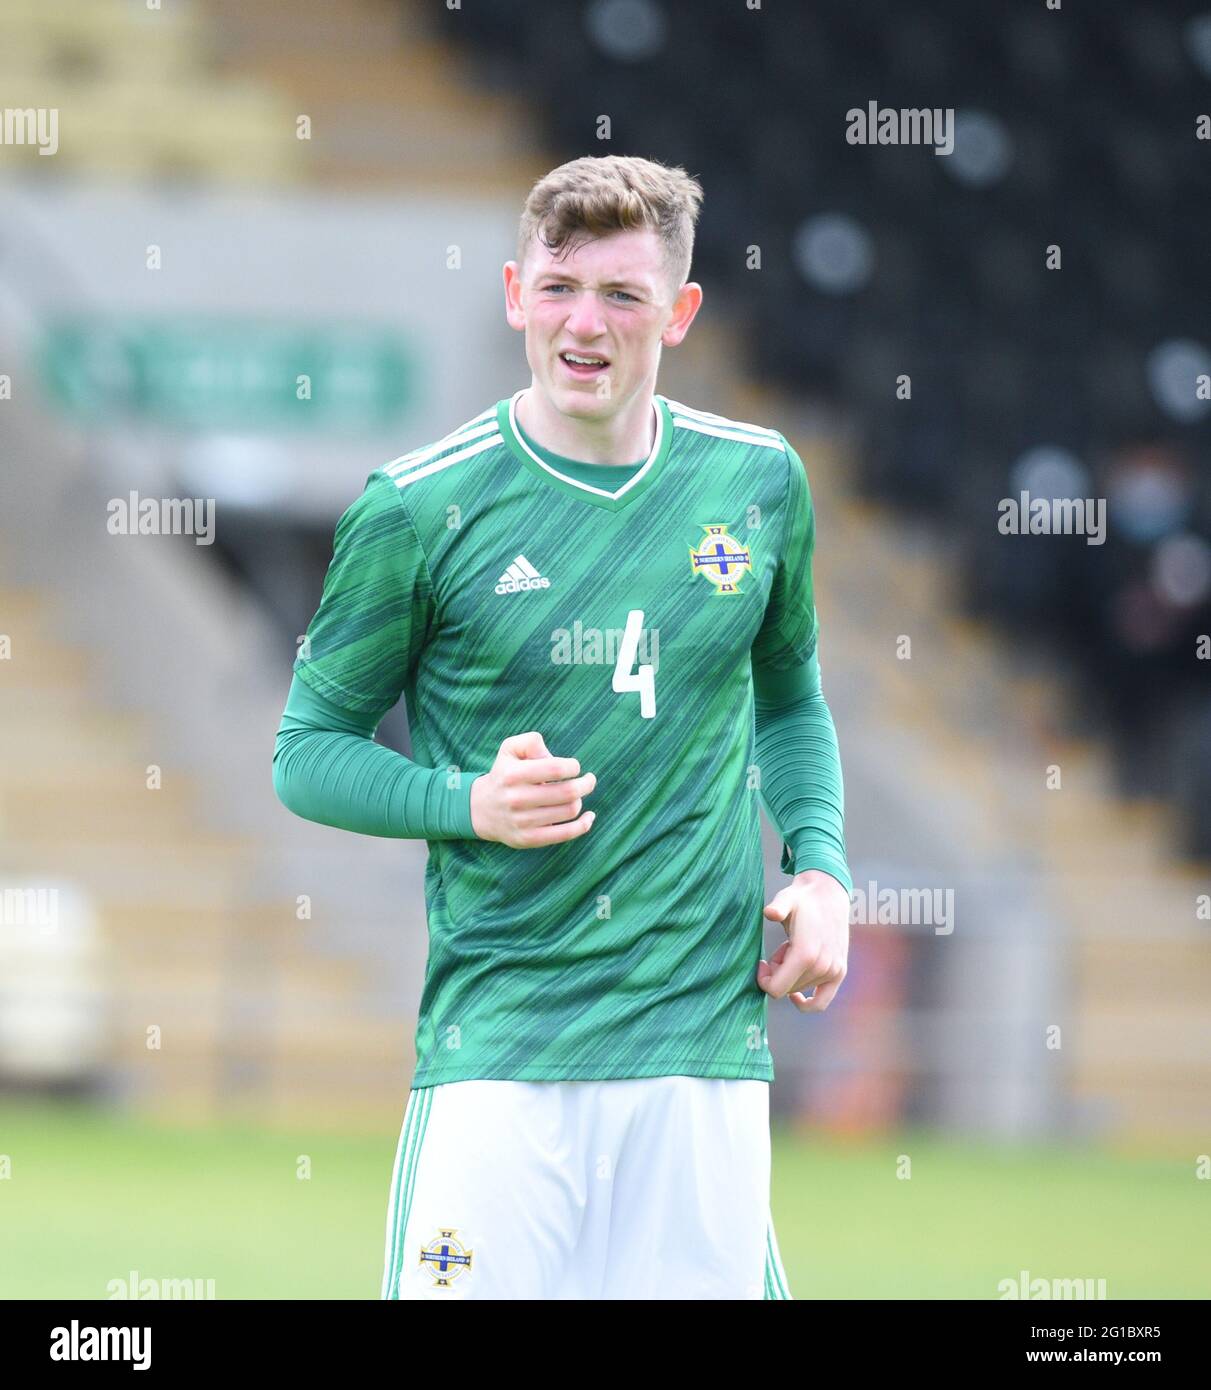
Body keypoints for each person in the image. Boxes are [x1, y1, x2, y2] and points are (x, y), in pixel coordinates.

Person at [272, 153, 851, 1300]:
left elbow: (789, 694)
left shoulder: (758, 484)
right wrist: (463, 802)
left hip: (699, 1055)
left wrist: (821, 866)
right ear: (511, 294)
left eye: (622, 295)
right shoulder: (418, 508)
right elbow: (304, 753)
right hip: (503, 1058)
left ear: (678, 312)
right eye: (557, 288)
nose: (584, 324)